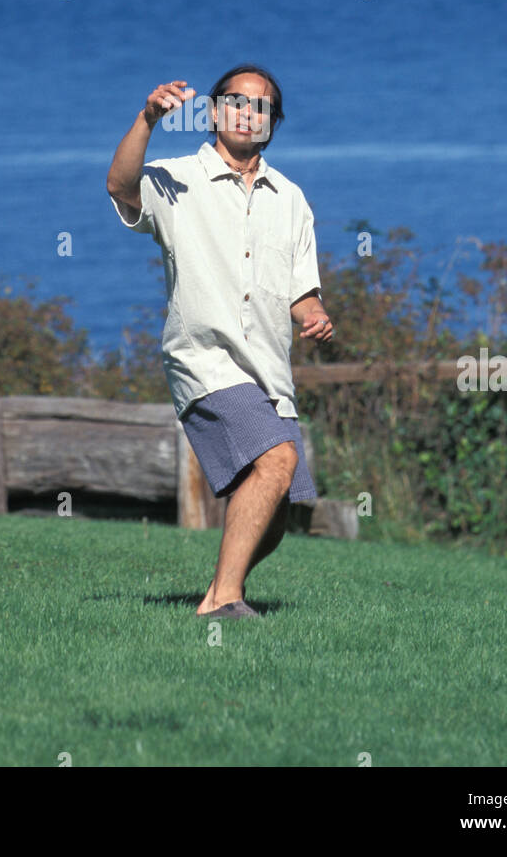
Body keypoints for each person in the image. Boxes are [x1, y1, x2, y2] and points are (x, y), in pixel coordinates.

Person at [106, 64, 333, 619]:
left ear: (274, 123)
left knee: (276, 509)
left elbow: (301, 293)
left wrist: (315, 314)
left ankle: (217, 591)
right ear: (211, 112)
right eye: (236, 100)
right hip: (204, 360)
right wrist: (147, 120)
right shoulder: (174, 178)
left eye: (261, 106)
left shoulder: (292, 199)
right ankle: (225, 600)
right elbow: (119, 185)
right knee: (277, 461)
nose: (247, 112)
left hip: (270, 374)